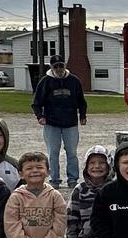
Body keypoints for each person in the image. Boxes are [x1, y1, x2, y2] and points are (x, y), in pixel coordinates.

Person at [33, 58, 88, 188]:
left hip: (71, 123)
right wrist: (40, 116)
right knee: (53, 152)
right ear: (51, 67)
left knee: (72, 152)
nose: (59, 69)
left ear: (65, 65)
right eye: (56, 66)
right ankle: (55, 179)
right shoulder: (45, 81)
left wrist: (83, 115)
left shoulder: (74, 81)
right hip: (52, 123)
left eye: (61, 65)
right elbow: (36, 102)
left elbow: (81, 100)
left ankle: (73, 179)